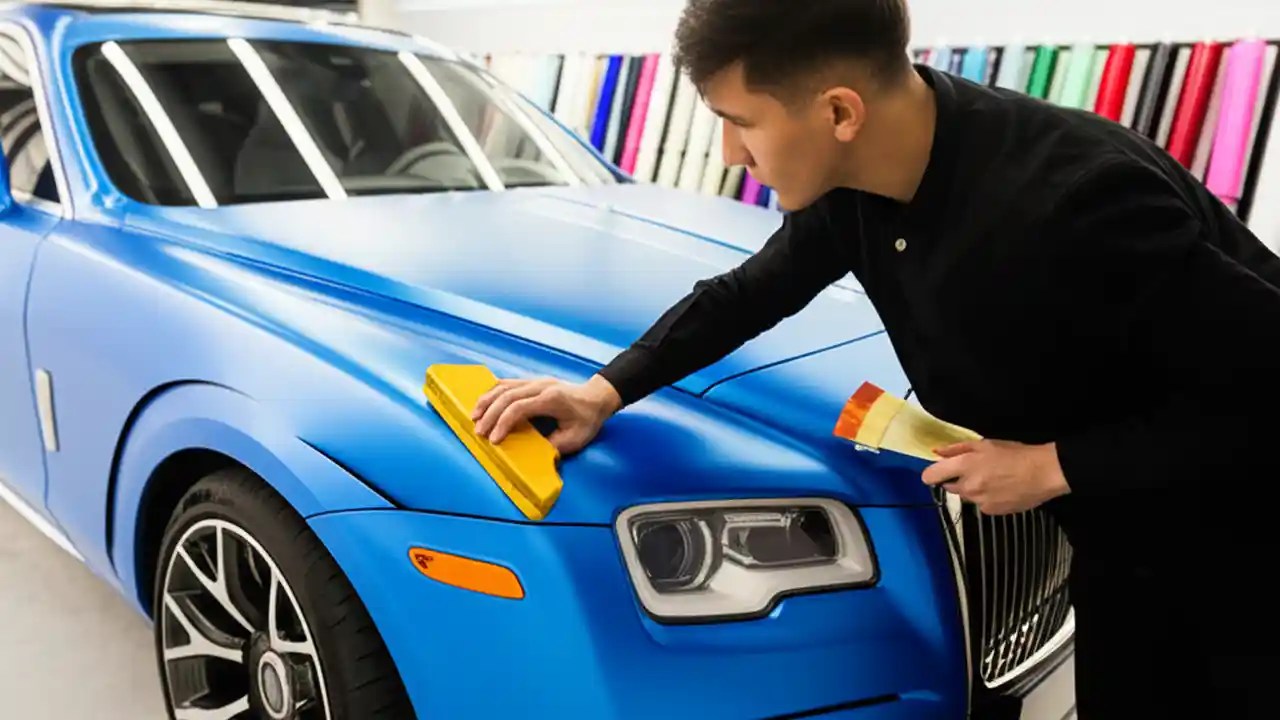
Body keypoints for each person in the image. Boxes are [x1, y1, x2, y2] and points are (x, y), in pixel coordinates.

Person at [471, 1, 1280, 716]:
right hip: (1121, 539)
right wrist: (602, 392)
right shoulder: (862, 181)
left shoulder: (1077, 203)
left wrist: (1052, 466)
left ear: (839, 112)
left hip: (1235, 541)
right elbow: (748, 293)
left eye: (741, 120)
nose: (728, 151)